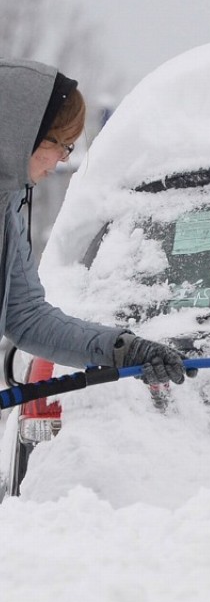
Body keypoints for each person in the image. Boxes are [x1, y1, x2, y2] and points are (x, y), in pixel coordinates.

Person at [0, 58, 188, 385]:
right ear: (21, 135)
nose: (64, 158)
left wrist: (125, 350)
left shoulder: (8, 207)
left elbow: (27, 317)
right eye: (60, 143)